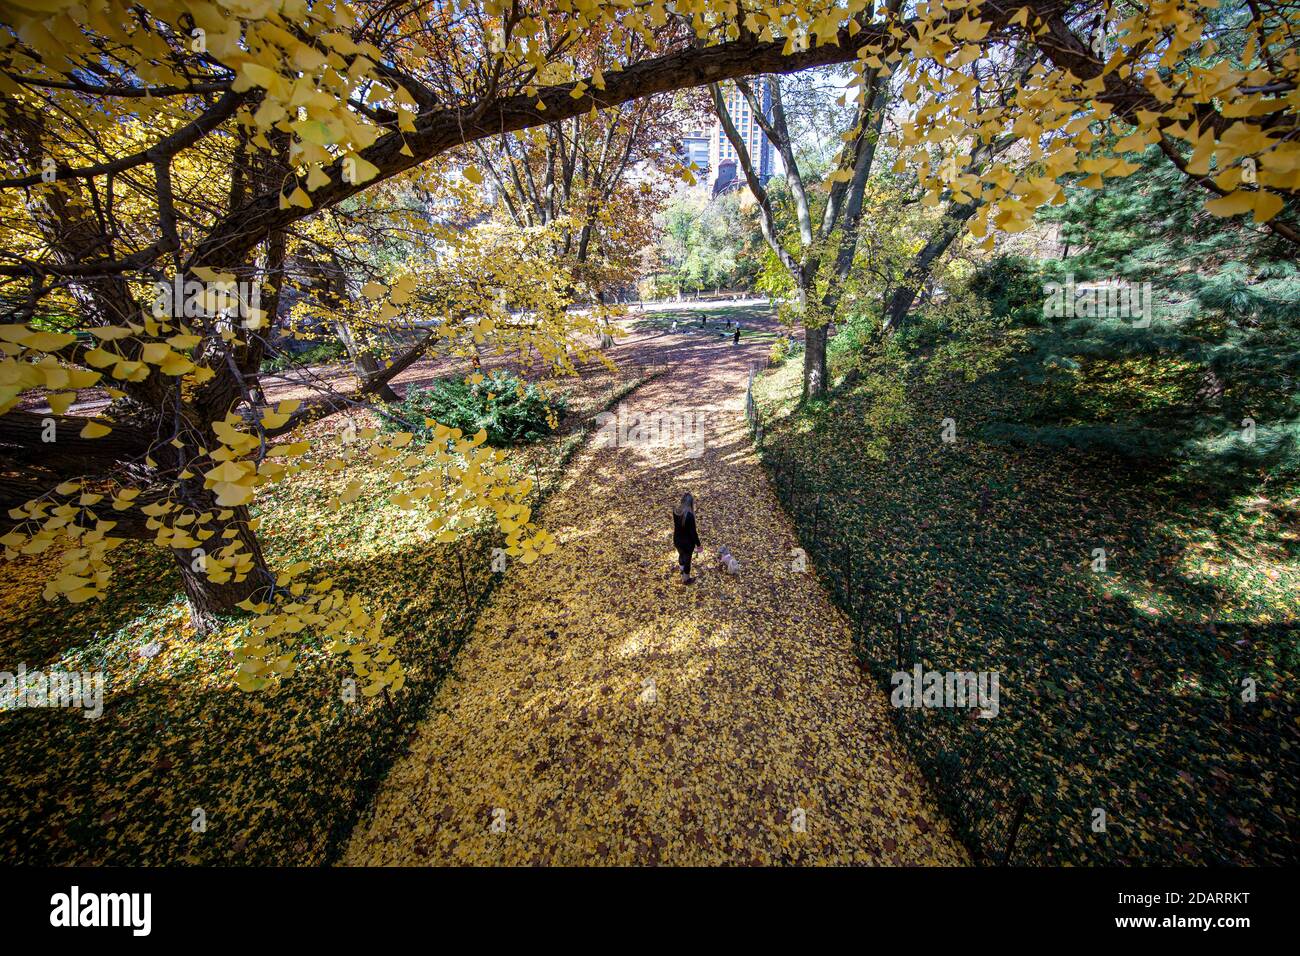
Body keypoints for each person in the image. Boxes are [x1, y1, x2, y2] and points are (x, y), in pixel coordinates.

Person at [672, 493, 703, 584]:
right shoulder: (689, 515)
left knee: (681, 554)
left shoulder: (676, 511)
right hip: (687, 543)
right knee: (687, 560)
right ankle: (686, 579)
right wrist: (698, 544)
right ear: (691, 503)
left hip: (677, 539)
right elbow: (693, 533)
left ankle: (681, 571)